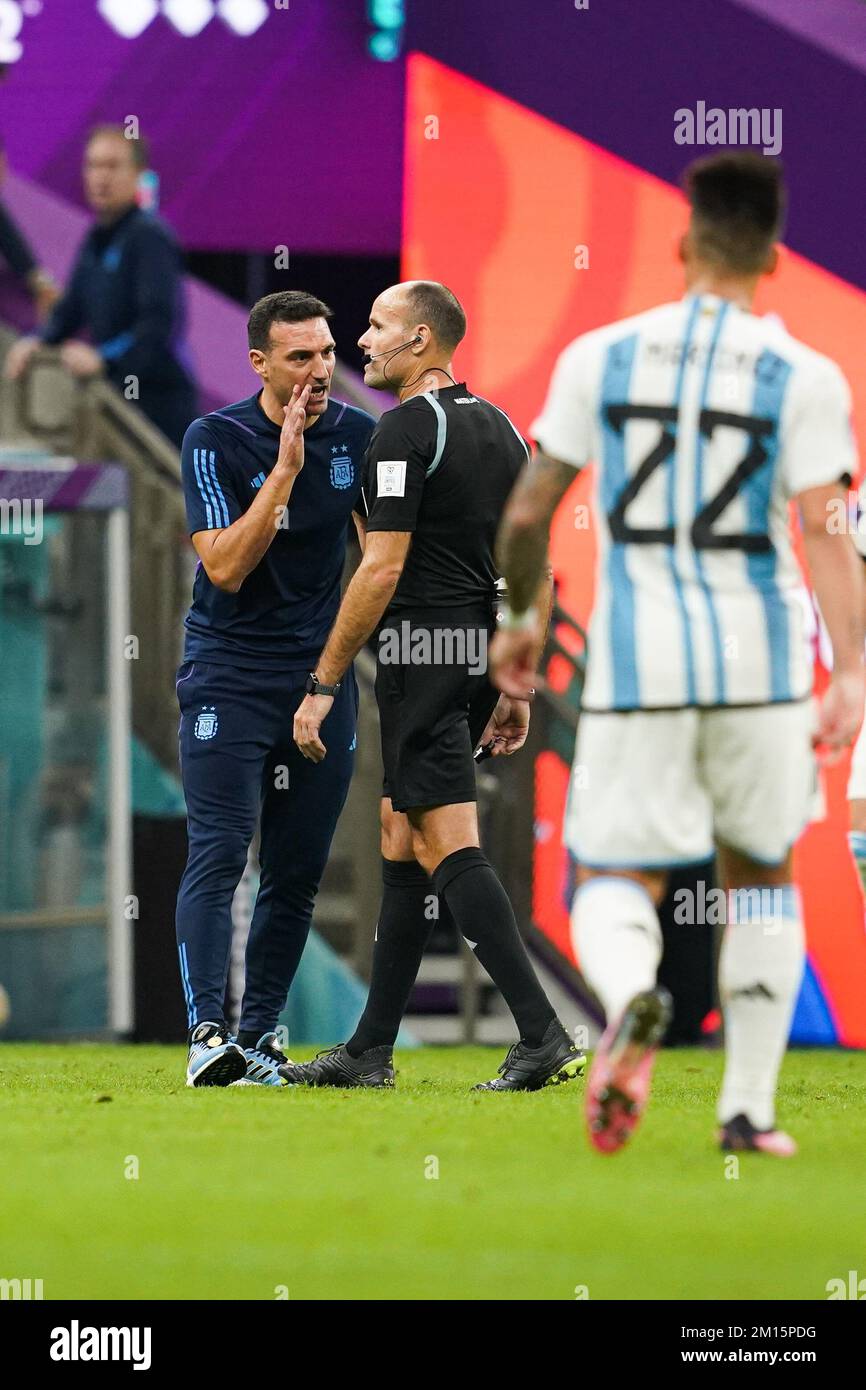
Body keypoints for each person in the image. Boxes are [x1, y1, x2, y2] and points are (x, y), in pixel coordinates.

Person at [491, 153, 864, 1156]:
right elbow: (826, 531)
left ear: (679, 241)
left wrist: (520, 618)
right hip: (763, 668)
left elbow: (528, 509)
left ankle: (628, 1003)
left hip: (636, 660)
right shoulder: (807, 378)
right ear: (774, 255)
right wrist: (855, 674)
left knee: (613, 870)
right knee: (760, 876)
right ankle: (746, 1113)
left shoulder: (600, 356)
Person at [288, 280, 585, 1091]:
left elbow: (380, 568)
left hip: (423, 648)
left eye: (379, 326)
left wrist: (324, 680)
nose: (364, 341)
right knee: (400, 834)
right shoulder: (507, 431)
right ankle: (371, 1050)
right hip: (482, 646)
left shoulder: (402, 433)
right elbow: (533, 565)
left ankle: (542, 1034)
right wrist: (516, 681)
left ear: (420, 340)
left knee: (446, 838)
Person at [175, 290, 374, 1087]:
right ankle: (206, 1038)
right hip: (228, 671)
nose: (320, 372)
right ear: (259, 362)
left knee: (297, 872)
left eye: (328, 354)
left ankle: (257, 1041)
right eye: (301, 358)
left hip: (319, 679)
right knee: (221, 852)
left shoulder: (360, 437)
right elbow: (224, 563)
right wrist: (285, 473)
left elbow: (381, 560)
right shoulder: (214, 438)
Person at [4, 125, 197, 446]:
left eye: (111, 165)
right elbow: (70, 311)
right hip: (117, 405)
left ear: (138, 173)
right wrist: (37, 341)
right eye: (93, 165)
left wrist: (105, 360)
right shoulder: (95, 238)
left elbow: (158, 324)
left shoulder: (150, 237)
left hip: (161, 410)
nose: (100, 176)